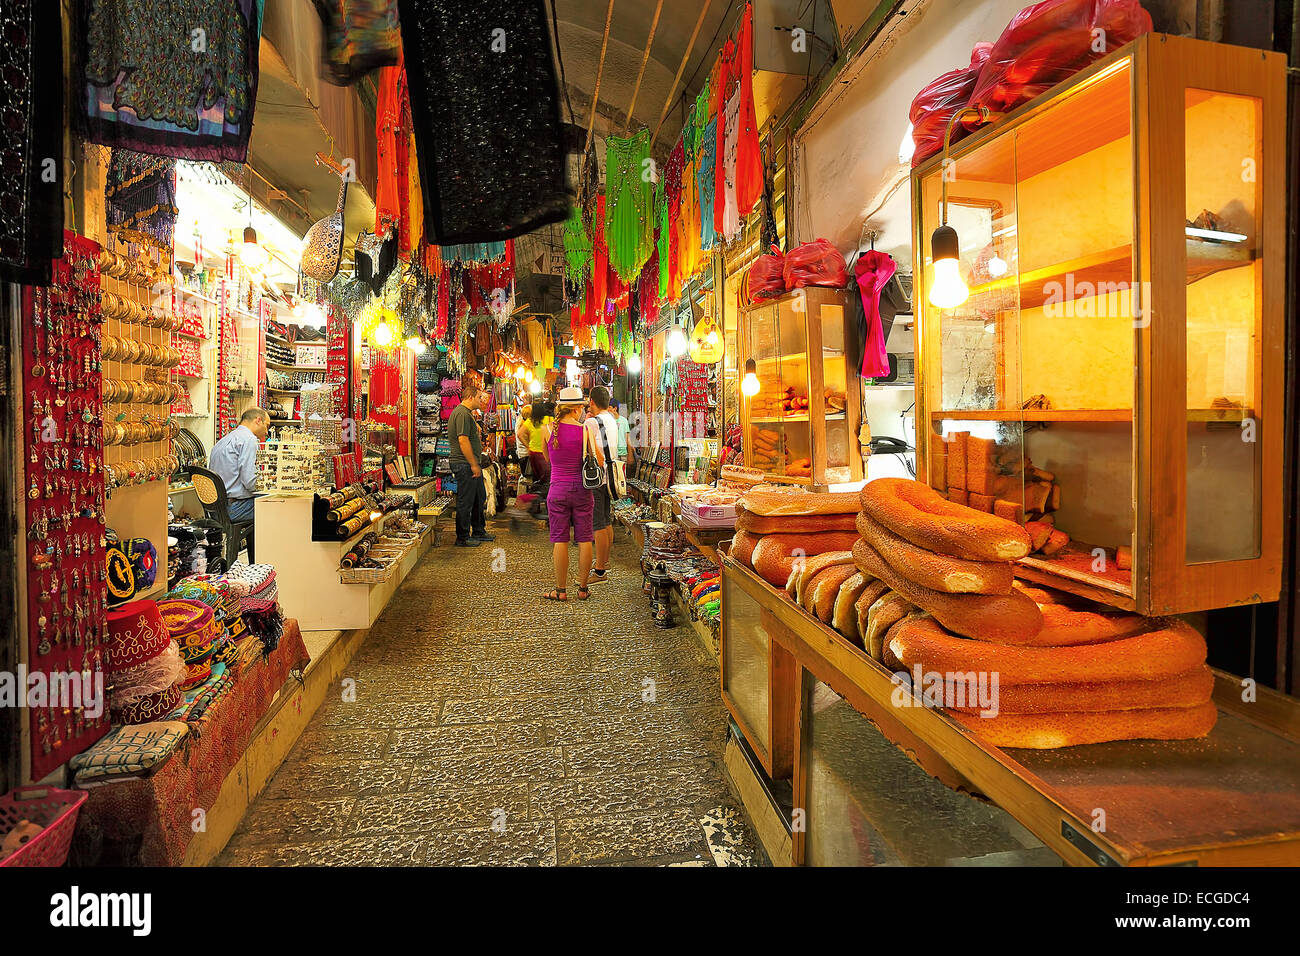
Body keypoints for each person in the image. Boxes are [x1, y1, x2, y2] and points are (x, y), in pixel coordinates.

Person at [544, 386, 604, 601]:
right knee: (585, 538)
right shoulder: (585, 430)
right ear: (578, 408)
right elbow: (599, 460)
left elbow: (548, 459)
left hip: (557, 489)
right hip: (582, 490)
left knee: (559, 540)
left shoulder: (548, 429)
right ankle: (583, 588)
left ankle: (560, 591)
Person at [448, 383, 495, 547]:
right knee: (465, 501)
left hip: (470, 464)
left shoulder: (467, 414)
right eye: (479, 397)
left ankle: (478, 530)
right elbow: (463, 440)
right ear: (470, 397)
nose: (481, 400)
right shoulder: (462, 414)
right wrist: (473, 464)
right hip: (464, 464)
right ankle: (462, 537)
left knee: (478, 497)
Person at [209, 407, 269, 526]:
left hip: (216, 509)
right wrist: (270, 485)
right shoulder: (249, 440)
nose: (267, 432)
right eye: (266, 425)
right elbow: (250, 482)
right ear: (258, 420)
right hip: (234, 509)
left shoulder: (225, 439)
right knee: (279, 504)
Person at [585, 385, 620, 584]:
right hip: (610, 476)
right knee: (606, 521)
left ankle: (599, 571)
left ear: (592, 401)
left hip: (597, 478)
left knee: (598, 524)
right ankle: (604, 562)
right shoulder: (612, 420)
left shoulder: (591, 422)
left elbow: (592, 451)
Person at [526, 403, 551, 484]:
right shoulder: (549, 419)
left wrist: (528, 445)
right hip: (545, 452)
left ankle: (537, 493)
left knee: (537, 477)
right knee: (546, 477)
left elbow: (519, 434)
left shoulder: (530, 421)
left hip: (533, 452)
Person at [611, 399, 633, 465]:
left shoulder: (624, 421)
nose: (607, 410)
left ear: (615, 408)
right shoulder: (609, 421)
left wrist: (630, 454)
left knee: (623, 474)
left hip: (623, 453)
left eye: (609, 407)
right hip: (613, 453)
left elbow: (627, 438)